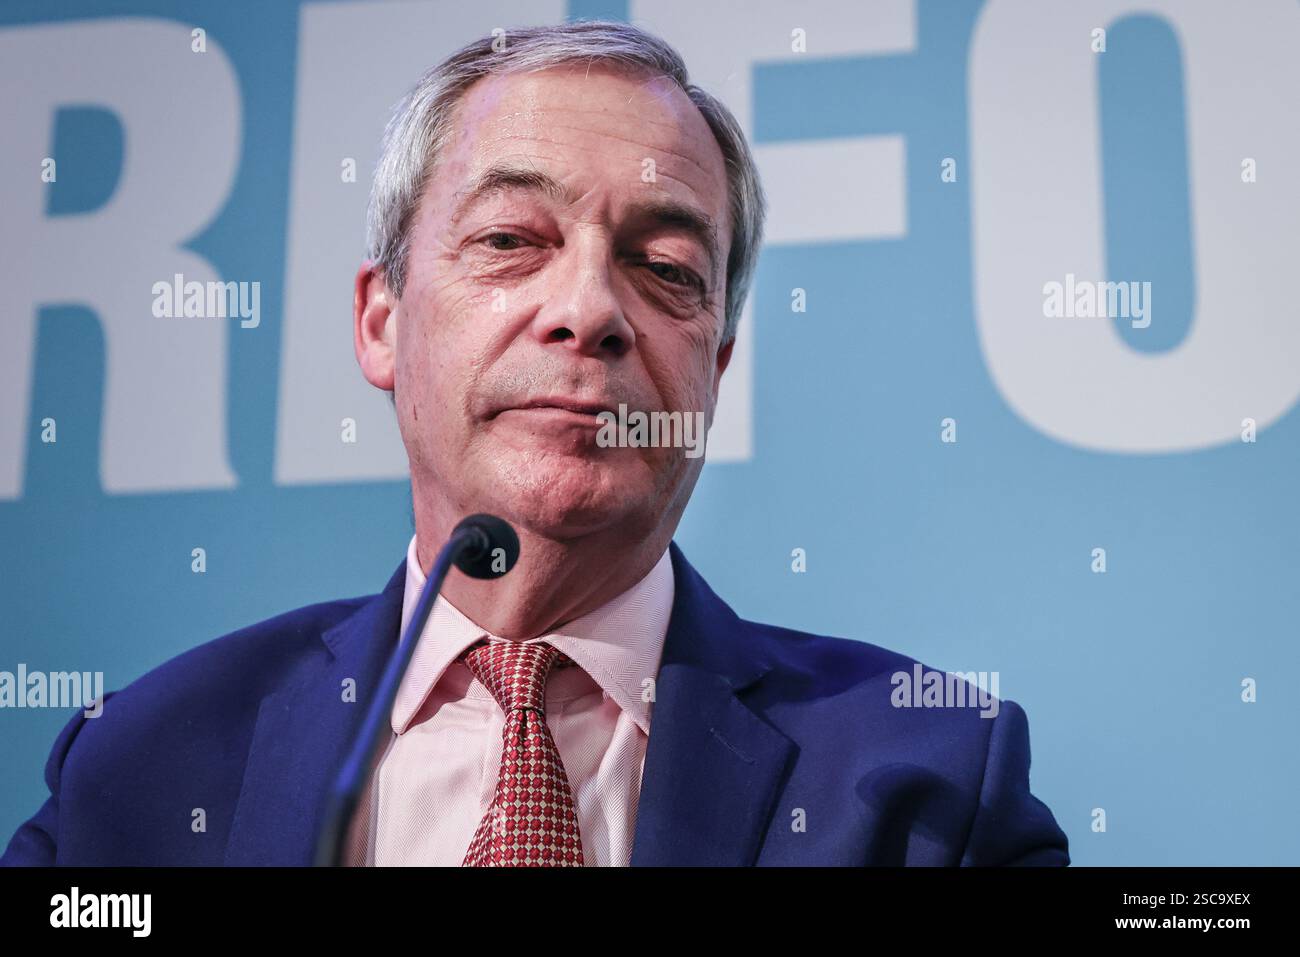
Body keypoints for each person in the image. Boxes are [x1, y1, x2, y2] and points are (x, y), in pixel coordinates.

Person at [1, 20, 1068, 867]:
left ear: (715, 368)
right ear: (382, 321)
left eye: (666, 270)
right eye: (512, 240)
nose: (590, 309)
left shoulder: (925, 781)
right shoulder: (150, 761)